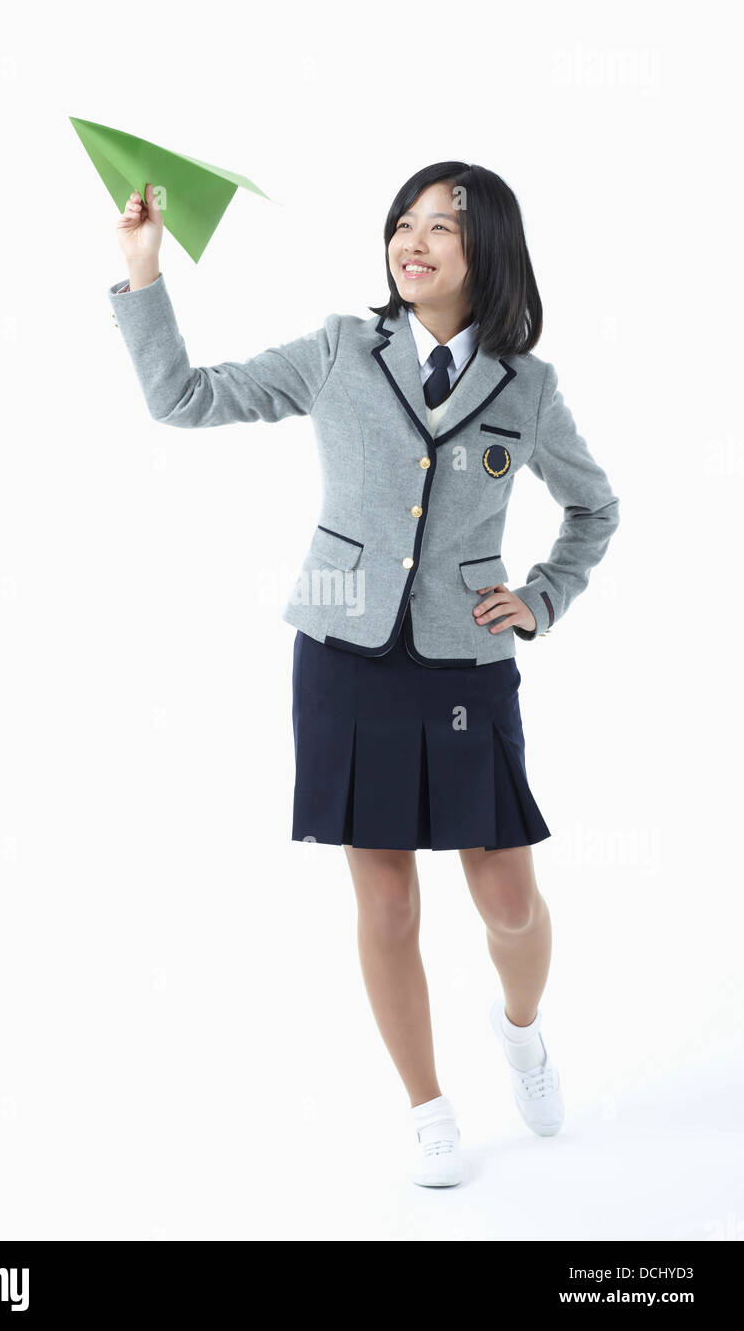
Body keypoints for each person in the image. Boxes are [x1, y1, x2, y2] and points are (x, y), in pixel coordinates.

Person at [108, 163, 621, 1187]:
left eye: (442, 226)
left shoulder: (527, 387)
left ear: (492, 255)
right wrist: (143, 275)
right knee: (385, 904)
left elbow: (593, 508)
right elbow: (182, 398)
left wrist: (543, 596)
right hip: (341, 655)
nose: (413, 240)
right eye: (403, 221)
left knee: (509, 899)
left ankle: (519, 1031)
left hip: (467, 664)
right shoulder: (342, 349)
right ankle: (426, 1103)